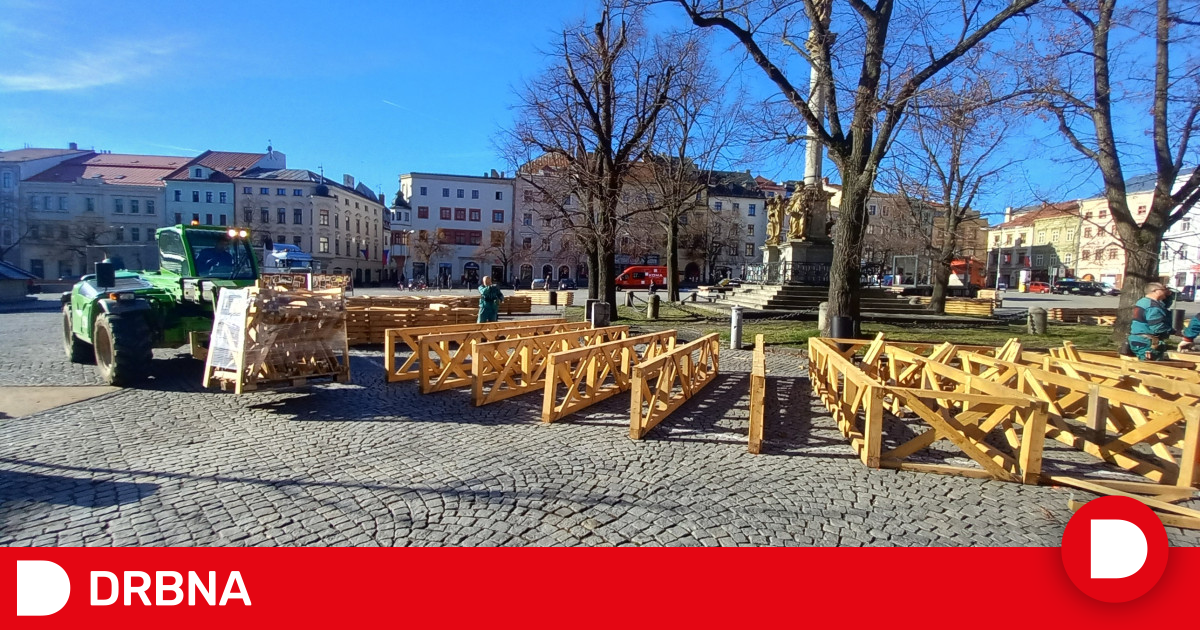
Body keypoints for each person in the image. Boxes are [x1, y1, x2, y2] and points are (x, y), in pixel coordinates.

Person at [1128, 282, 1175, 361]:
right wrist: (1174, 332)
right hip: (1147, 343)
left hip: (1137, 339)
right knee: (1150, 369)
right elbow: (1157, 327)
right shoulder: (1153, 307)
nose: (1165, 291)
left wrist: (1169, 296)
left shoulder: (1143, 301)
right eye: (1163, 290)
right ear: (1155, 291)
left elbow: (1164, 305)